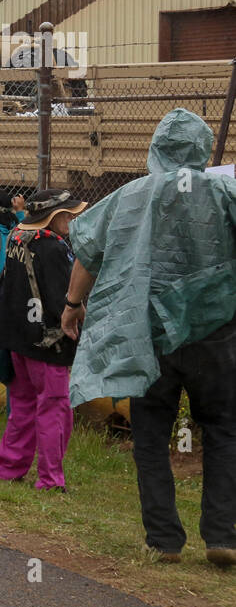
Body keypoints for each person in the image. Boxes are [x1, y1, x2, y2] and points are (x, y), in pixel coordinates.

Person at [62, 109, 236, 567]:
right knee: (223, 430)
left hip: (149, 335)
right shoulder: (225, 192)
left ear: (155, 148)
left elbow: (87, 252)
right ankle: (223, 536)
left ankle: (164, 540)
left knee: (150, 436)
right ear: (201, 149)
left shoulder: (130, 196)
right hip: (216, 334)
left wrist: (72, 305)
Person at [0, 189, 86, 492]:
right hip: (49, 343)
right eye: (66, 213)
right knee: (55, 410)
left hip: (18, 338)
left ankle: (8, 467)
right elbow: (64, 299)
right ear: (51, 216)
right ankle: (50, 478)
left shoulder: (17, 236)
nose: (72, 217)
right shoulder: (55, 248)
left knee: (22, 407)